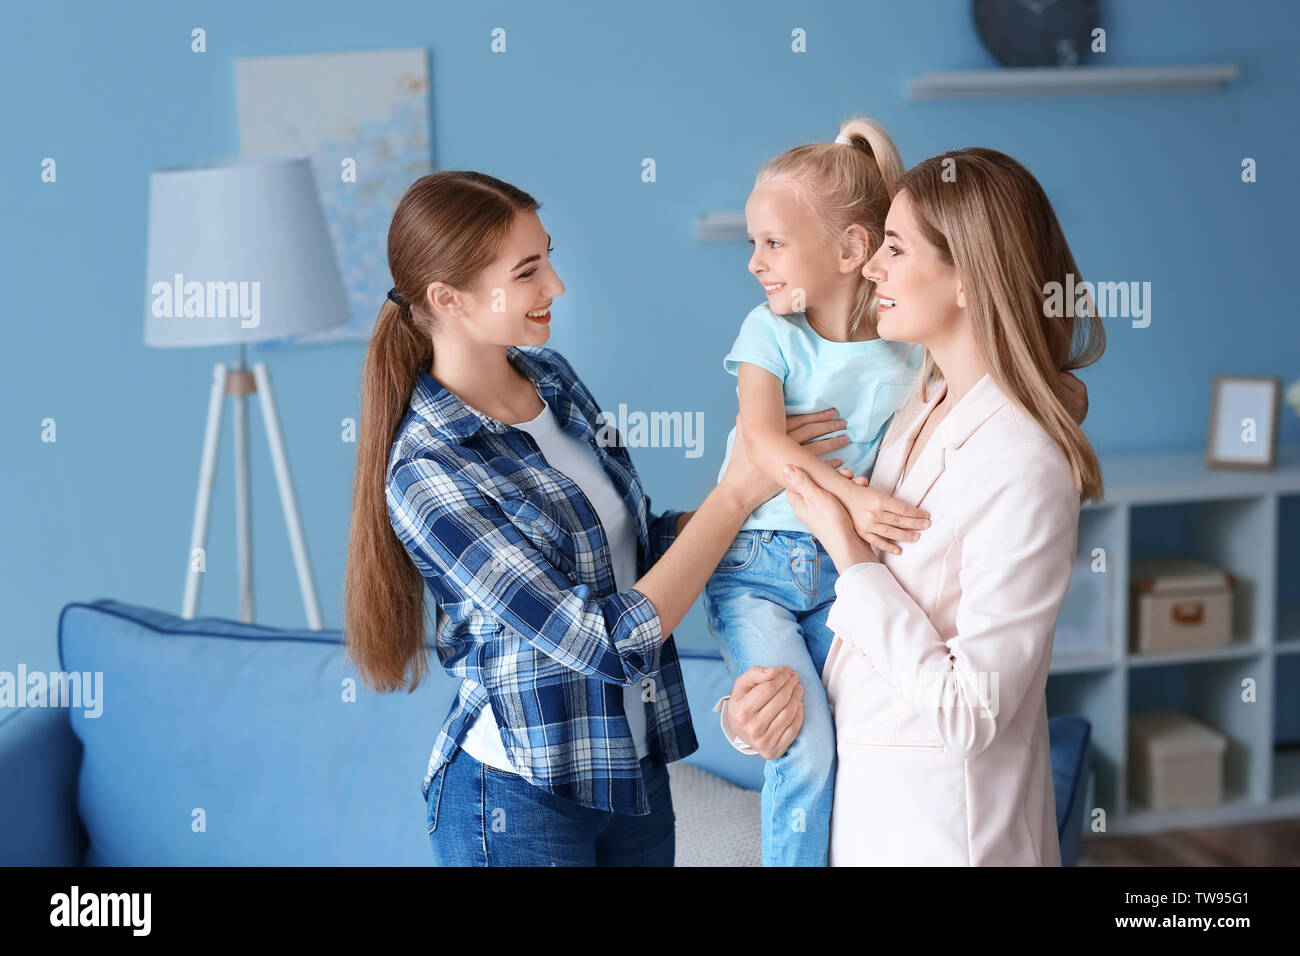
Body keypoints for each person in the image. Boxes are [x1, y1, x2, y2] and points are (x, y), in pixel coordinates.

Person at [340, 170, 850, 866]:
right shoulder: (429, 470)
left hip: (631, 772)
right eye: (528, 272)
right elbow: (606, 641)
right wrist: (736, 493)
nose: (556, 286)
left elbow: (638, 549)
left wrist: (779, 493)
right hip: (517, 802)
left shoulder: (552, 380)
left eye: (547, 257)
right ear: (448, 300)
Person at [706, 121, 1090, 866]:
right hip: (868, 822)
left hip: (948, 837)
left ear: (969, 277)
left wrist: (852, 556)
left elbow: (972, 712)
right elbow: (848, 644)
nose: (871, 266)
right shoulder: (914, 409)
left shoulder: (1024, 463)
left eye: (896, 247)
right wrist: (752, 716)